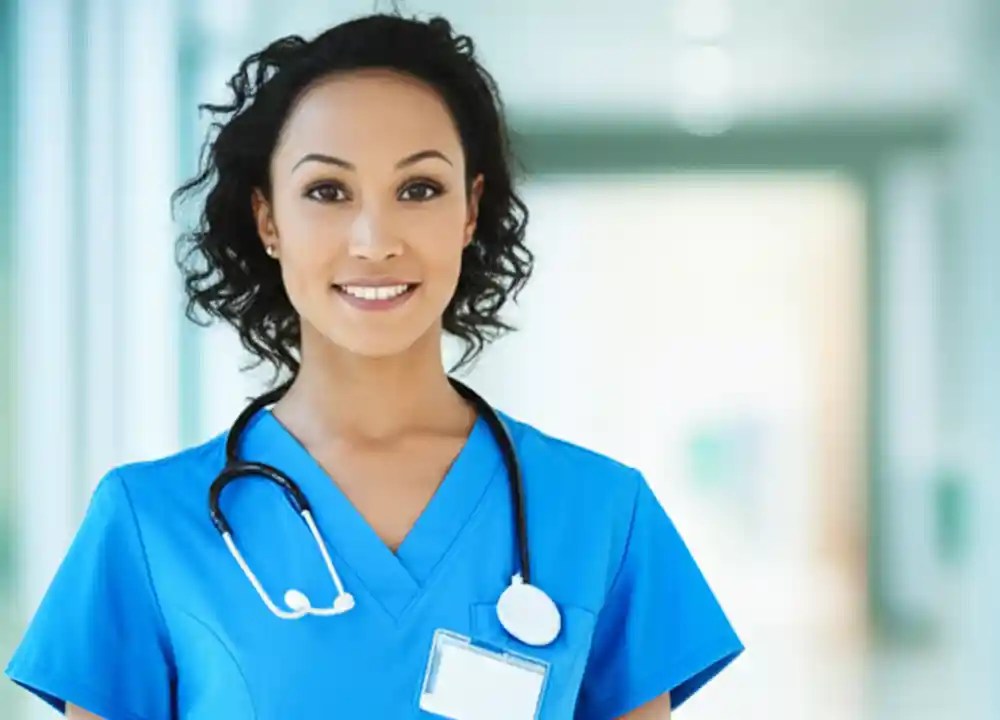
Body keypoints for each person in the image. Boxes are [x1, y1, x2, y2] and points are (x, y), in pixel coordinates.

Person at [4, 12, 742, 719]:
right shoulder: (148, 523)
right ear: (268, 219)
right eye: (328, 191)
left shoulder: (600, 512)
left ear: (469, 211)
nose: (374, 238)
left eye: (418, 189)